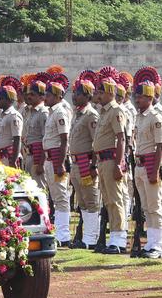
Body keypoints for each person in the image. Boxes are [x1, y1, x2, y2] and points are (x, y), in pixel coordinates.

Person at [132, 67, 162, 258]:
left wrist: (155, 170)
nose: (137, 100)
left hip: (150, 164)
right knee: (146, 207)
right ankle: (151, 243)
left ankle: (158, 245)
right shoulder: (139, 116)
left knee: (154, 207)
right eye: (136, 96)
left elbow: (160, 146)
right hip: (139, 165)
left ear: (149, 98)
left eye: (140, 97)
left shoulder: (156, 117)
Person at [93, 67, 130, 255]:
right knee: (108, 200)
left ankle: (119, 238)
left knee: (116, 199)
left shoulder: (116, 111)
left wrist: (118, 163)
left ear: (109, 93)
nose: (97, 95)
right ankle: (114, 237)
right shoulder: (104, 112)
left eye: (100, 92)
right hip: (102, 160)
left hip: (110, 160)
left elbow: (121, 138)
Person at [67, 71, 102, 249]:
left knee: (91, 199)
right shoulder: (78, 114)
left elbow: (96, 142)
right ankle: (87, 236)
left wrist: (93, 164)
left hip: (85, 162)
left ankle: (92, 237)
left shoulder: (91, 115)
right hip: (75, 162)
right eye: (74, 93)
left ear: (87, 96)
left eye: (78, 93)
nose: (74, 96)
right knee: (81, 201)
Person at [40, 68, 74, 246]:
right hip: (49, 159)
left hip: (56, 160)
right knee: (55, 196)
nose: (45, 97)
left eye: (49, 94)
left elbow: (64, 139)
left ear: (57, 96)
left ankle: (63, 235)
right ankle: (59, 232)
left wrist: (60, 163)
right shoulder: (53, 111)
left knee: (61, 197)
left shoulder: (60, 112)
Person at [0, 80, 24, 168]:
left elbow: (17, 139)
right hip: (0, 156)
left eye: (0, 98)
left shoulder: (14, 116)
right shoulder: (1, 115)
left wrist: (13, 160)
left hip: (8, 158)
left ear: (7, 100)